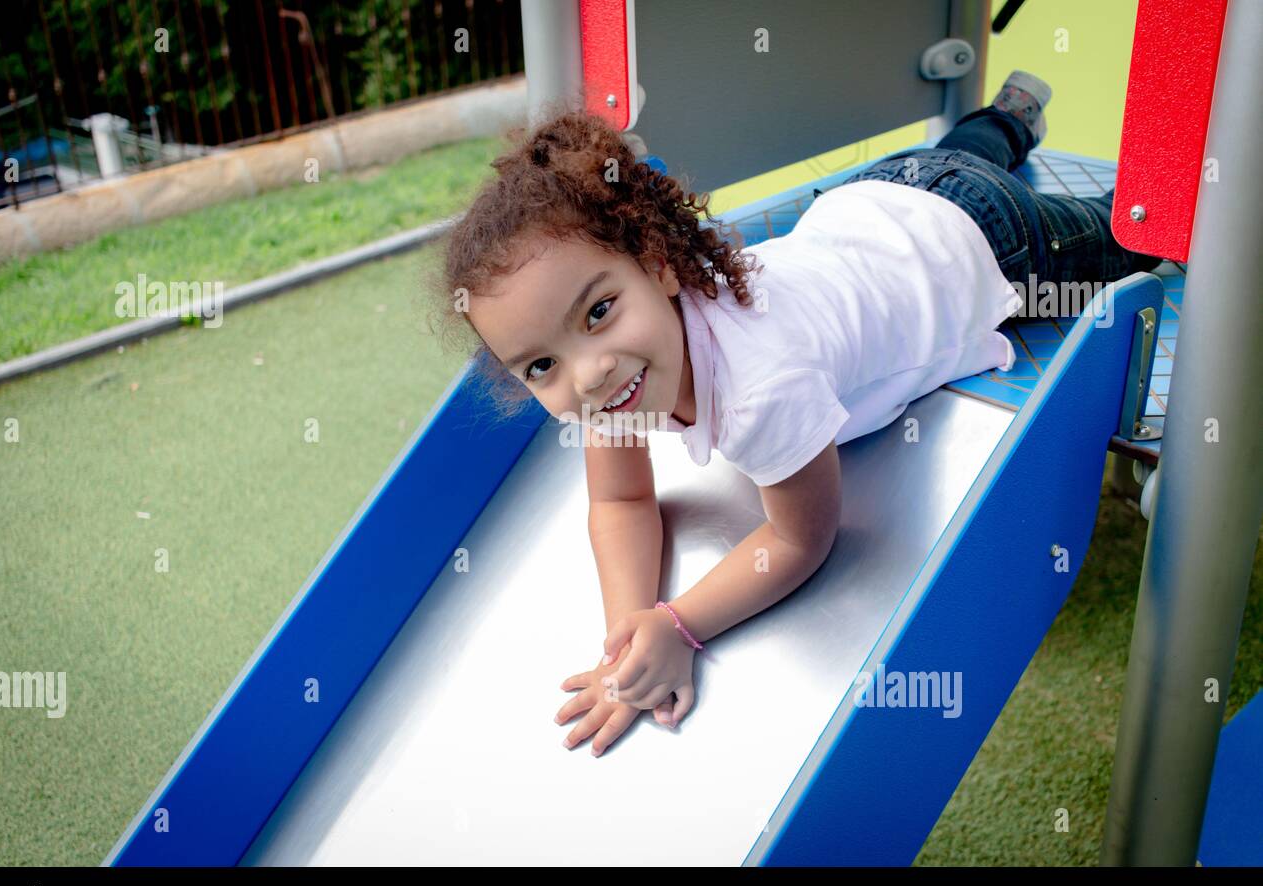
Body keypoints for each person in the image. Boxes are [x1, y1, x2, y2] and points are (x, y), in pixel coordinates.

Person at [429, 71, 1162, 757]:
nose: (586, 372)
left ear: (657, 266)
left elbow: (799, 537)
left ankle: (1192, 180)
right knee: (965, 150)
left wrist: (682, 626)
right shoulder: (605, 384)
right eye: (541, 366)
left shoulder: (759, 386)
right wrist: (629, 634)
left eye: (598, 311)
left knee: (1131, 230)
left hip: (983, 239)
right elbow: (620, 499)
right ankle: (1009, 116)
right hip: (877, 195)